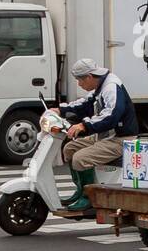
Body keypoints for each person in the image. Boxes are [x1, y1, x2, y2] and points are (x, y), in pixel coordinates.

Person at [57, 58, 140, 211]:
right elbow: (85, 103)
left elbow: (111, 116)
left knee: (80, 158)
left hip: (120, 139)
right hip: (104, 136)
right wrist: (60, 110)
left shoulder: (110, 87)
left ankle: (89, 197)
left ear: (89, 76)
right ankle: (81, 190)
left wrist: (84, 125)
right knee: (69, 149)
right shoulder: (100, 86)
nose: (79, 84)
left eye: (79, 80)